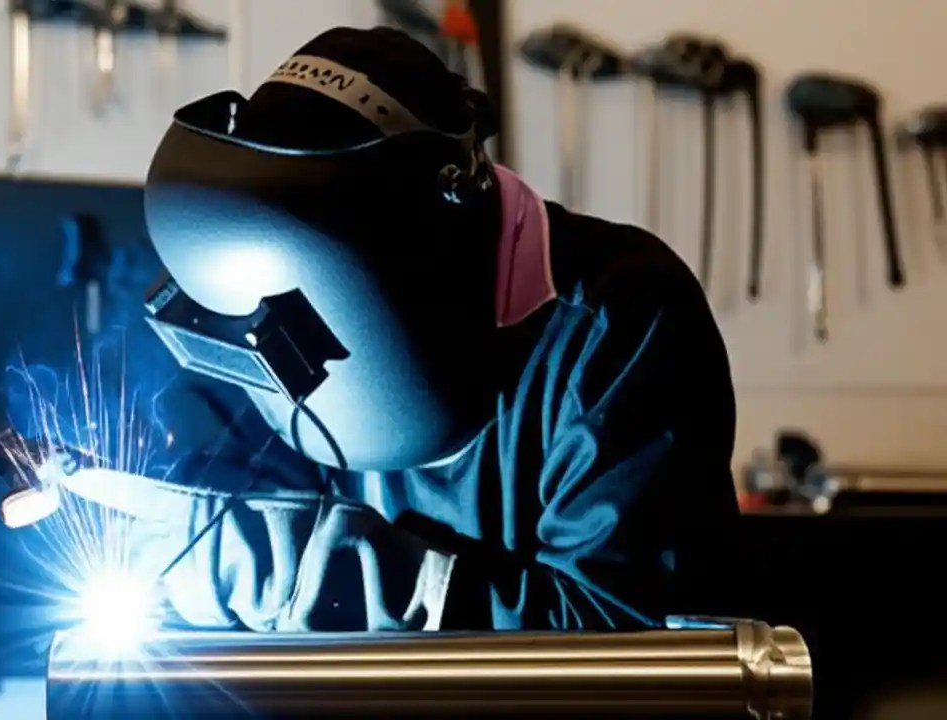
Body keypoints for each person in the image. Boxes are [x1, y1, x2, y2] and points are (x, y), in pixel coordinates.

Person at [63, 26, 741, 633]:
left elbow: (624, 645)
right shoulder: (278, 303)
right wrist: (121, 493)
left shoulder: (619, 319)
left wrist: (324, 576)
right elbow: (236, 491)